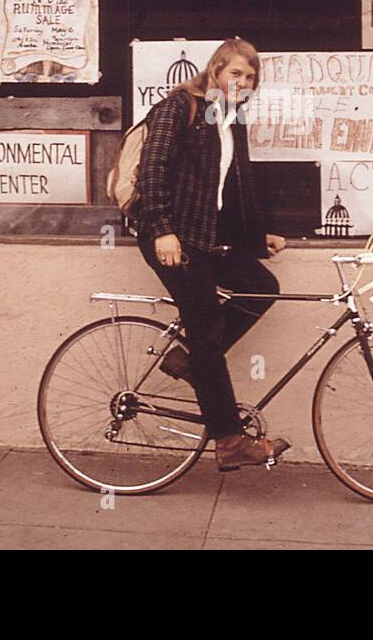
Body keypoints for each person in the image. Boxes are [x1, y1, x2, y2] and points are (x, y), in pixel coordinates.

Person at [136, 37, 291, 470]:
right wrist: (163, 230)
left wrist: (260, 237)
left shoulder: (229, 117)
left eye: (251, 77)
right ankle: (229, 441)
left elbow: (237, 187)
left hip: (204, 236)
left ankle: (190, 362)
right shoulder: (178, 107)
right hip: (168, 237)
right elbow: (152, 169)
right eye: (236, 73)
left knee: (261, 287)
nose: (243, 82)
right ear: (216, 69)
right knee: (204, 327)